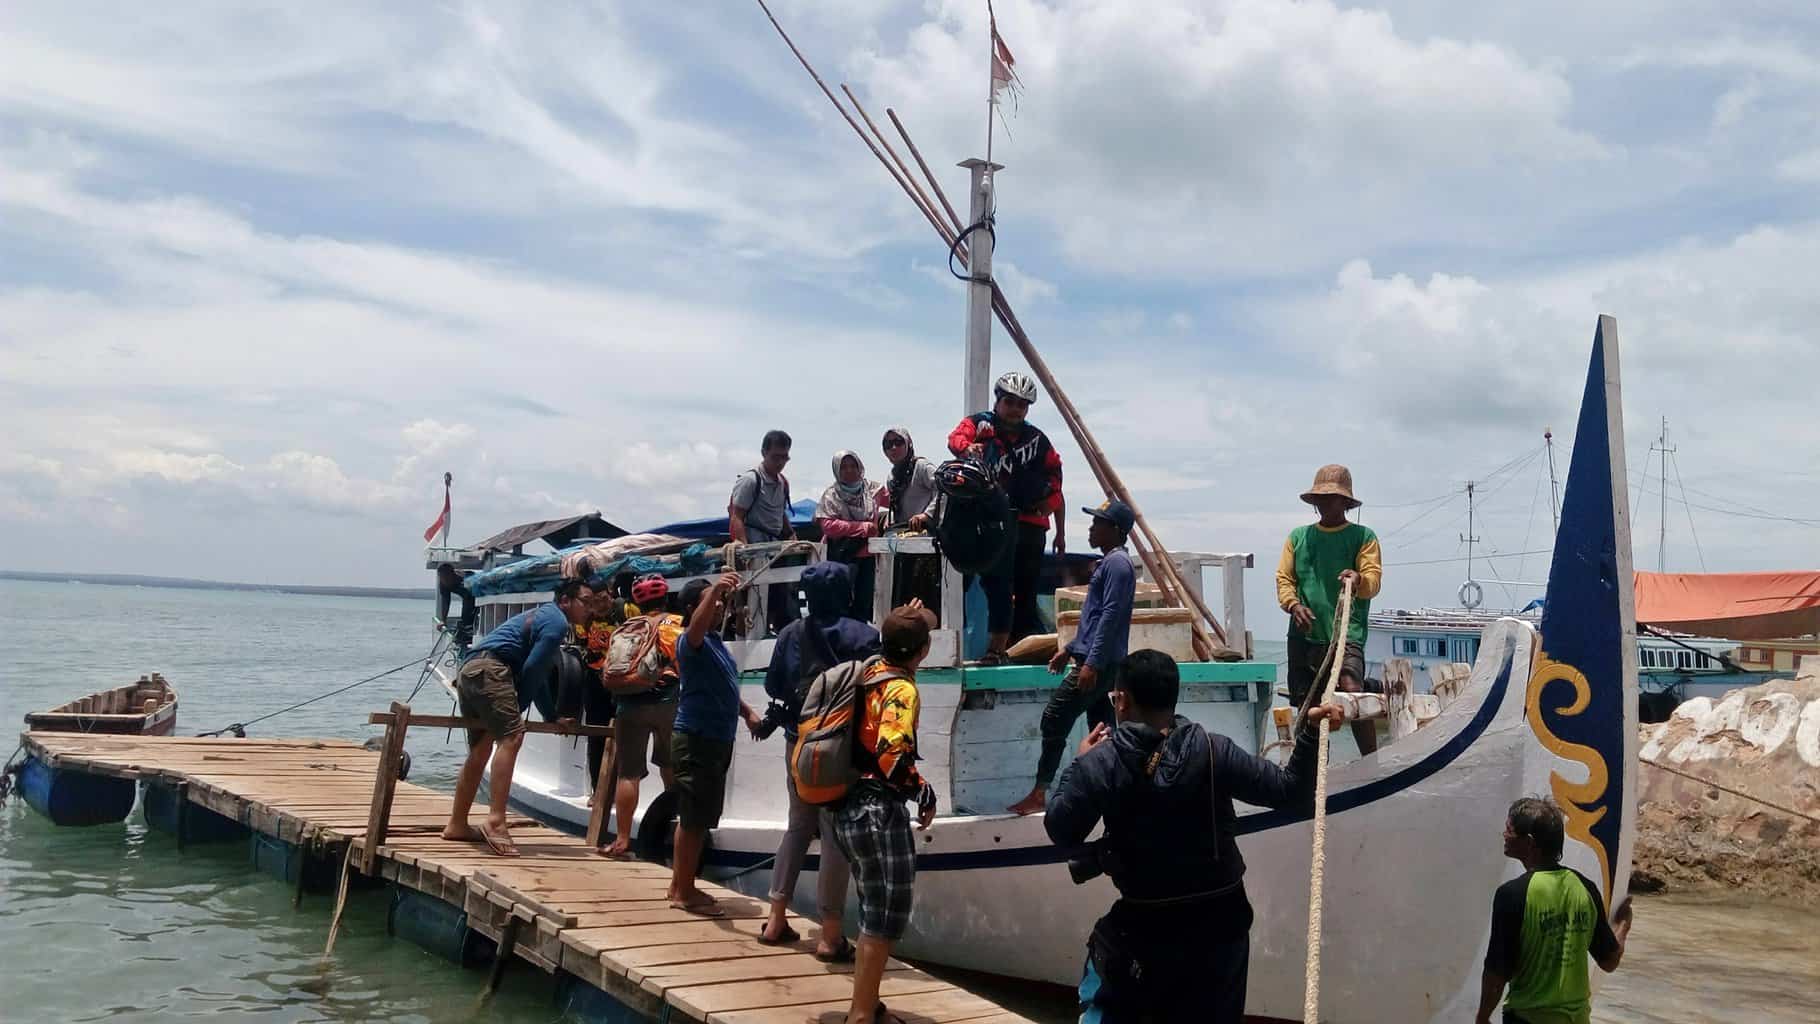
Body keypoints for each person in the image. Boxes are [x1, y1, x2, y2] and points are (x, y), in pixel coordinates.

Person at [1044, 649, 1347, 1023]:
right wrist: (1310, 737)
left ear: (1121, 700)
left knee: (1104, 983)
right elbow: (1291, 791)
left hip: (1147, 927)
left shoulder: (1101, 763)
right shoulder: (1212, 748)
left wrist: (1079, 761)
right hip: (1222, 925)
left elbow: (1061, 829)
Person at [757, 561, 879, 957]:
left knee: (796, 828)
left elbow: (774, 685)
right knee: (833, 839)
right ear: (846, 593)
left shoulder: (792, 633)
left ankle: (776, 920)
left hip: (799, 745)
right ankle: (830, 936)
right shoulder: (865, 635)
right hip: (842, 753)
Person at [830, 602, 941, 1024]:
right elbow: (892, 755)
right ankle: (861, 1013)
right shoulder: (901, 689)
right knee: (881, 915)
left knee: (872, 907)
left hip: (849, 805)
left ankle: (867, 1002)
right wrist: (924, 793)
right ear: (924, 649)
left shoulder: (871, 669)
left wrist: (903, 615)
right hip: (877, 809)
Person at [443, 577, 593, 857]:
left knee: (481, 748)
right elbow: (534, 669)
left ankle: (457, 824)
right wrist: (519, 710)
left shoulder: (545, 618)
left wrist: (551, 716)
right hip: (492, 670)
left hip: (471, 669)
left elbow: (538, 673)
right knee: (511, 738)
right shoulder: (558, 623)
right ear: (565, 601)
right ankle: (496, 821)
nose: (590, 609)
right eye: (585, 602)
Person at [1008, 499, 1137, 816]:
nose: (1092, 528)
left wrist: (1091, 663)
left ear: (1115, 530)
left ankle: (1040, 792)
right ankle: (1115, 792)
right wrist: (1069, 649)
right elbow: (1093, 618)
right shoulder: (1109, 563)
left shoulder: (1117, 565)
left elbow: (1110, 618)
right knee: (1103, 729)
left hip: (1101, 664)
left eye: (1098, 523)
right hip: (1099, 660)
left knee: (1054, 716)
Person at [1477, 797, 1632, 1024]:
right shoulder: (1584, 887)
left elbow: (1496, 972)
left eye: (1509, 830)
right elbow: (1609, 962)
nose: (1504, 835)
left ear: (1529, 843)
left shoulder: (1512, 895)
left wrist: (1482, 1017)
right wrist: (1624, 925)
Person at [948, 371, 1063, 662]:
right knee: (978, 581)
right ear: (998, 401)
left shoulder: (1038, 439)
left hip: (1027, 524)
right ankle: (962, 644)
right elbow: (955, 438)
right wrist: (968, 447)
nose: (1015, 409)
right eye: (1010, 402)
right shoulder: (979, 423)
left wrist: (1049, 504)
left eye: (1022, 405)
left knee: (1025, 588)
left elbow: (1056, 474)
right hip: (988, 521)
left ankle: (1017, 650)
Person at [667, 574, 764, 915]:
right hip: (698, 739)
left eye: (722, 601)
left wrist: (747, 712)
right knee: (693, 818)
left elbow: (723, 687)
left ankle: (680, 884)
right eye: (713, 601)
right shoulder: (690, 640)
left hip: (715, 739)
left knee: (697, 817)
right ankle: (684, 891)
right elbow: (694, 628)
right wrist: (717, 588)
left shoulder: (713, 643)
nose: (721, 606)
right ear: (694, 608)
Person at [1276, 463, 1383, 755]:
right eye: (1321, 498)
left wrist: (1358, 579)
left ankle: (1370, 762)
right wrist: (1293, 604)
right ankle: (1310, 770)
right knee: (1308, 704)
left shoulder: (1363, 537)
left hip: (1346, 633)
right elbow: (1285, 578)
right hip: (1305, 636)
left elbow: (1373, 579)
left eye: (1332, 497)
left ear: (1345, 502)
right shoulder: (1298, 537)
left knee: (1352, 691)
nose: (1325, 503)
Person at [597, 573, 685, 860]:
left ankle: (622, 839)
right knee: (670, 765)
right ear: (666, 596)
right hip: (667, 701)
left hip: (629, 704)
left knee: (628, 773)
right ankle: (673, 824)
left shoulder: (625, 627)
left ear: (637, 600)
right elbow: (683, 663)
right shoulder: (675, 625)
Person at [729, 429, 799, 633]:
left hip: (776, 547)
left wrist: (792, 535)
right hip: (755, 546)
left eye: (784, 457)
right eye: (775, 457)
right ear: (764, 453)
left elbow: (780, 512)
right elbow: (737, 516)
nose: (780, 462)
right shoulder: (750, 481)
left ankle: (781, 638)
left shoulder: (782, 482)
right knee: (754, 600)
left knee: (781, 598)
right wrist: (744, 548)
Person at [877, 426, 943, 613]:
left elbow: (943, 489)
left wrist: (926, 515)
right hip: (903, 538)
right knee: (901, 588)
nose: (893, 448)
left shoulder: (921, 466)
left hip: (926, 538)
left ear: (909, 444)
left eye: (899, 442)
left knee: (924, 589)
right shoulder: (892, 476)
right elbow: (895, 505)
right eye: (888, 445)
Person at [815, 450, 882, 621]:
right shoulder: (831, 495)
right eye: (843, 467)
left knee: (864, 600)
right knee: (840, 600)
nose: (849, 470)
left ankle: (858, 640)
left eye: (853, 466)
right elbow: (828, 526)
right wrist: (862, 528)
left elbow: (896, 499)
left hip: (868, 554)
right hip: (841, 555)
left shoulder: (873, 489)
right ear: (836, 470)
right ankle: (840, 639)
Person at [434, 563, 476, 649]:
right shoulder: (443, 584)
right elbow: (446, 601)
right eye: (441, 578)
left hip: (475, 592)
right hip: (466, 597)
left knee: (467, 614)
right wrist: (443, 620)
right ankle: (464, 634)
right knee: (465, 616)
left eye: (446, 577)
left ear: (452, 574)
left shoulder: (462, 579)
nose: (445, 580)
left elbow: (470, 598)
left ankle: (469, 634)